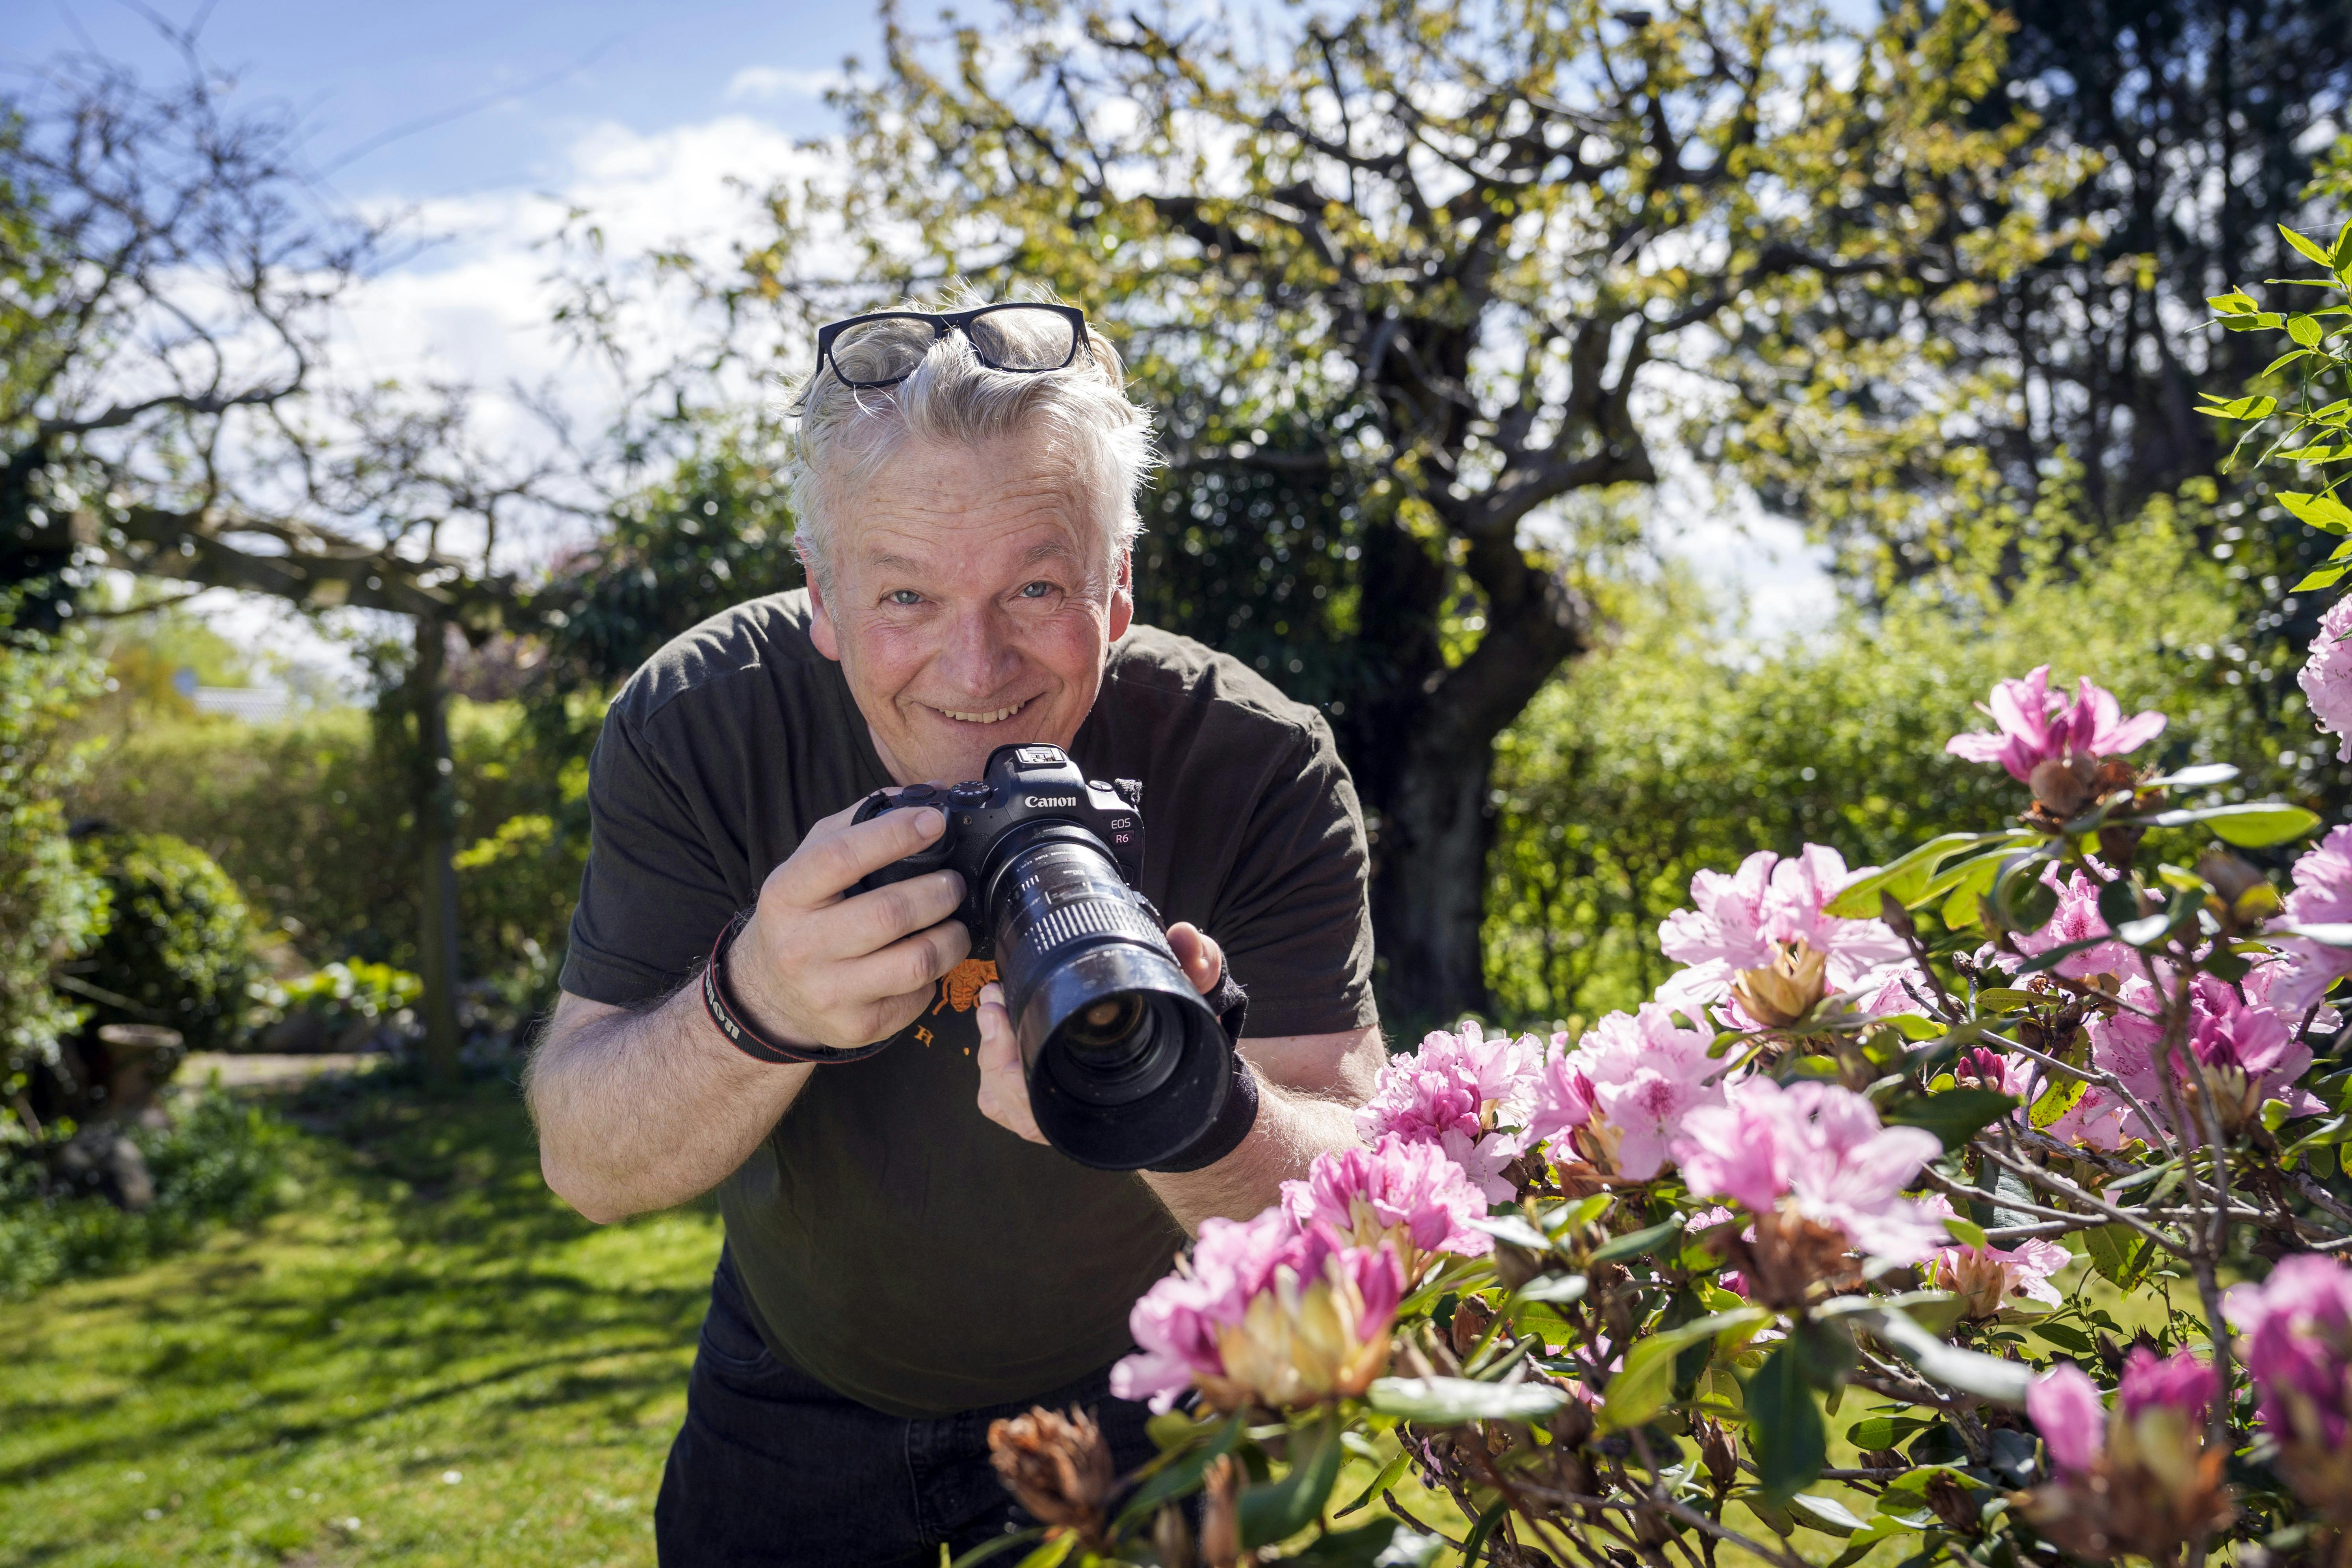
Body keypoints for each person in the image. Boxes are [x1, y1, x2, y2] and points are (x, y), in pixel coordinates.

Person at [525, 291, 1384, 1566]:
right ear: (819, 595)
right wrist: (751, 1005)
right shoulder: (704, 721)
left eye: (1036, 586)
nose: (975, 671)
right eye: (907, 596)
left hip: (1152, 1374)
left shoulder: (1250, 757)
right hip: (796, 1372)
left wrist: (1197, 1107)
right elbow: (586, 1165)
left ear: (1117, 592)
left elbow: (1366, 1205)